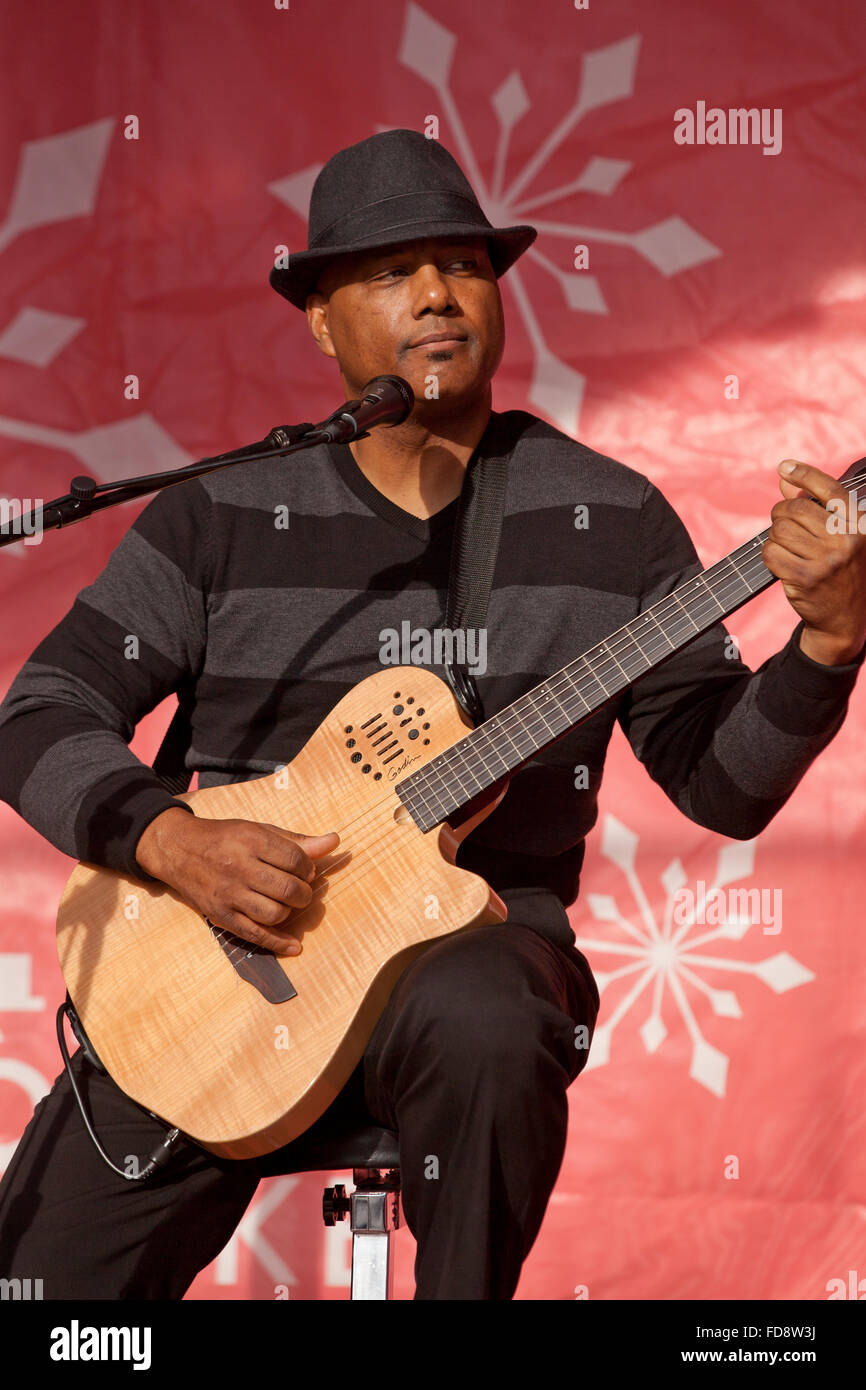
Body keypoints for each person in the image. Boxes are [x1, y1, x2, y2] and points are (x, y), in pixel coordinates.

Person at [0, 128, 864, 1302]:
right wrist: (175, 842)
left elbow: (722, 785)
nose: (432, 296)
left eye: (459, 264)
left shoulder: (607, 519)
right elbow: (38, 713)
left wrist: (826, 639)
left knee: (485, 1013)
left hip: (462, 975)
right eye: (386, 273)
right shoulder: (224, 514)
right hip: (218, 978)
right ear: (319, 320)